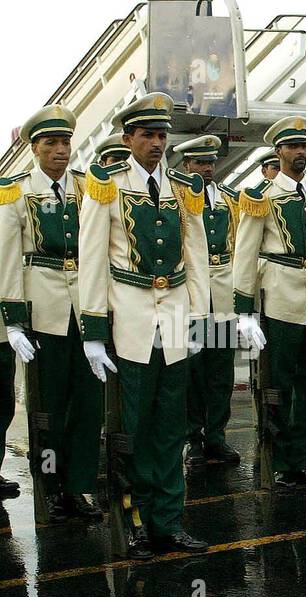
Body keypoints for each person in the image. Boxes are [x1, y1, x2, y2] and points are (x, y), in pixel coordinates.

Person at [78, 92, 212, 559]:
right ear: (127, 138)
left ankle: (168, 523)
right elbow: (92, 259)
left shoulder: (183, 188)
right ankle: (134, 521)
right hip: (131, 318)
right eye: (147, 135)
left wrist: (198, 318)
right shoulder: (106, 185)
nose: (156, 142)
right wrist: (93, 330)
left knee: (171, 428)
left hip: (174, 318)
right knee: (131, 429)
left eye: (161, 135)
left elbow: (196, 257)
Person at [232, 116, 306, 493]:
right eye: (292, 147)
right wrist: (245, 309)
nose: (300, 152)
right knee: (279, 384)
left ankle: (302, 459)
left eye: (304, 146)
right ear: (278, 151)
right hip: (281, 300)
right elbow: (245, 255)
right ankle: (280, 460)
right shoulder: (260, 197)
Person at [0, 104, 101, 517]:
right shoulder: (16, 191)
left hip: (87, 311)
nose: (61, 151)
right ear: (35, 148)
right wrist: (14, 321)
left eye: (65, 143)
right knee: (50, 408)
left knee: (88, 404)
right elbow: (8, 259)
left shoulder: (89, 187)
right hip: (45, 313)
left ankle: (77, 487)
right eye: (51, 144)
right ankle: (50, 486)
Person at [174, 134, 241, 468]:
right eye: (200, 162)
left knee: (220, 373)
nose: (207, 168)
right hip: (191, 297)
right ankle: (194, 439)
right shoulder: (179, 197)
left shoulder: (229, 199)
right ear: (186, 165)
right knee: (192, 374)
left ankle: (217, 437)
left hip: (223, 298)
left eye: (211, 162)